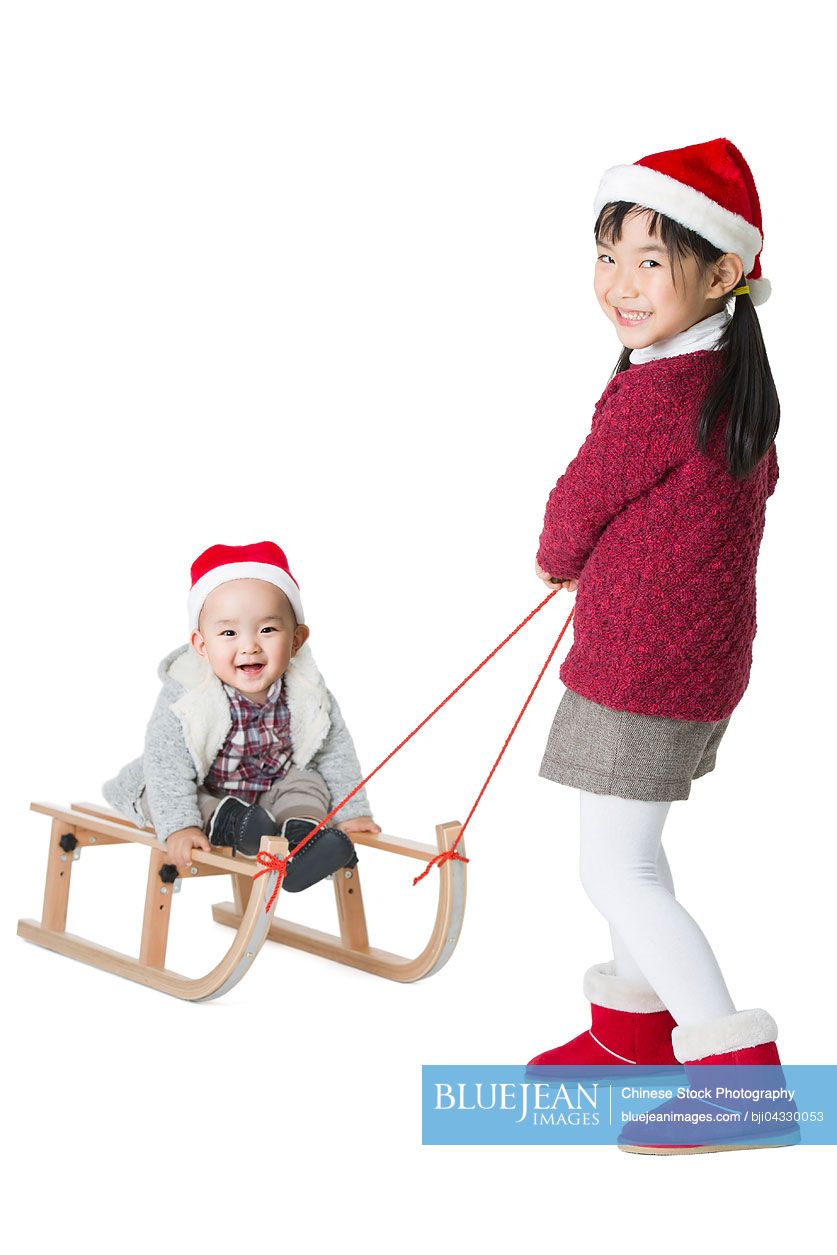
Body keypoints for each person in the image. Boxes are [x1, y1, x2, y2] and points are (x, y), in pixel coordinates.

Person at [528, 138, 797, 1153]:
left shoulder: (660, 394)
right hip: (695, 660)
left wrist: (559, 556)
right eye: (609, 255)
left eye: (652, 260)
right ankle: (632, 1034)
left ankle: (739, 1082)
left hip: (642, 667)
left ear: (724, 271)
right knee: (632, 854)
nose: (620, 285)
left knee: (617, 871)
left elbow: (580, 500)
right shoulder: (724, 375)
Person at [103, 540, 380, 892]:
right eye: (229, 633)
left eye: (267, 630)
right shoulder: (186, 697)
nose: (249, 646)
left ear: (297, 640)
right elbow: (167, 764)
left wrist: (351, 810)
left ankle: (303, 836)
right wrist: (180, 827)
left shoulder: (309, 694)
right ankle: (228, 822)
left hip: (269, 794)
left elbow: (335, 752)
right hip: (200, 788)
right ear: (202, 645)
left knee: (307, 782)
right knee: (159, 793)